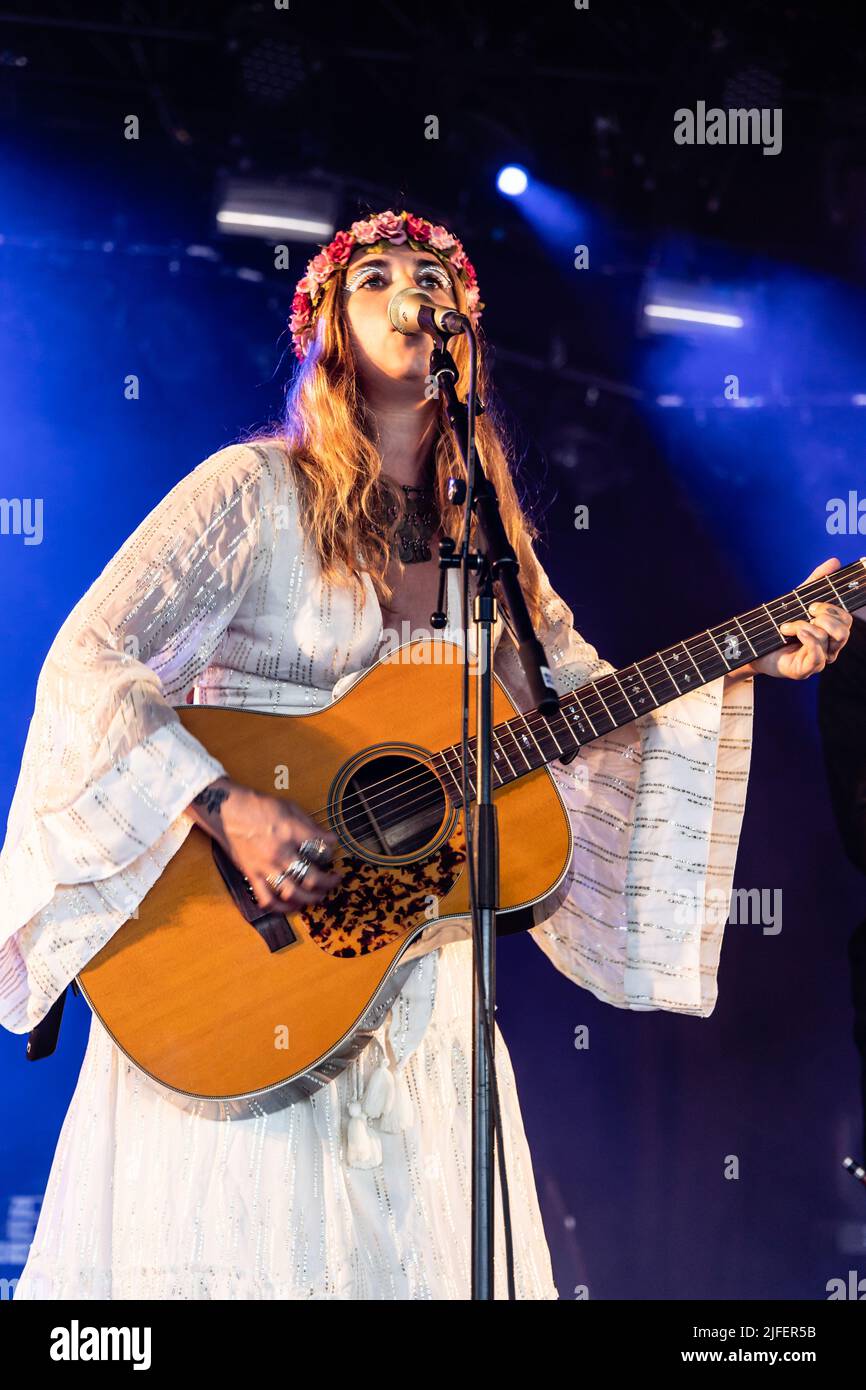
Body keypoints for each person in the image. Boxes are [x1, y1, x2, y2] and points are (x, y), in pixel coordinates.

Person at [1, 207, 852, 1300]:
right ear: (327, 334)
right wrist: (223, 803)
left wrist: (744, 657)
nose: (414, 290)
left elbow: (574, 705)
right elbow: (87, 661)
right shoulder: (249, 493)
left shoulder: (483, 536)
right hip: (237, 962)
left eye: (433, 274)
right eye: (378, 277)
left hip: (417, 996)